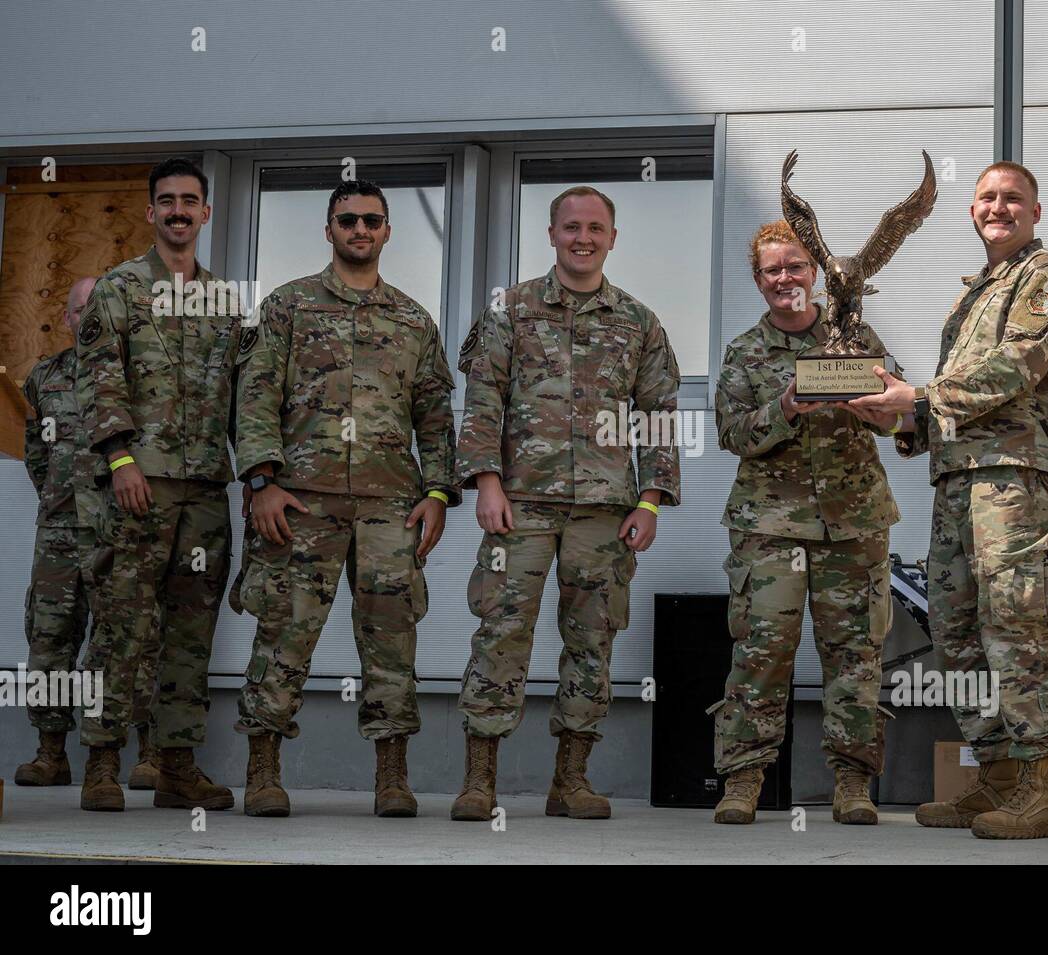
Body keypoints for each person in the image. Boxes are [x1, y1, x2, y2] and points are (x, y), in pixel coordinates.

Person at [857, 161, 1048, 839]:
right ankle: (996, 777)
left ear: (1036, 212)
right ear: (972, 211)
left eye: (1012, 198)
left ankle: (1040, 789)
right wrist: (899, 420)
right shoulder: (973, 296)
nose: (998, 207)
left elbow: (1019, 368)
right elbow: (956, 404)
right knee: (957, 634)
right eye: (986, 197)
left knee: (1016, 624)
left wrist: (918, 397)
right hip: (957, 480)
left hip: (1013, 479)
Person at [451, 185, 681, 821]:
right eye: (572, 227)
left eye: (596, 228)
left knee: (593, 639)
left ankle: (571, 781)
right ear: (551, 234)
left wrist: (652, 501)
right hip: (519, 502)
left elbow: (658, 417)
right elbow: (483, 400)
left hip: (605, 511)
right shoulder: (511, 309)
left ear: (612, 238)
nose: (584, 238)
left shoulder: (639, 321)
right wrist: (486, 482)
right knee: (501, 631)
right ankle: (480, 782)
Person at [232, 179, 458, 818]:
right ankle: (264, 772)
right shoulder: (289, 306)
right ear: (328, 229)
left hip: (391, 506)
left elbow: (435, 414)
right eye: (348, 219)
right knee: (284, 635)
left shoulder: (414, 320)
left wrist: (439, 491)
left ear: (388, 231)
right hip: (301, 502)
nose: (360, 229)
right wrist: (261, 482)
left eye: (372, 220)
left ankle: (391, 778)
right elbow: (254, 398)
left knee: (393, 642)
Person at [710, 220, 899, 826]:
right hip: (770, 526)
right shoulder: (743, 352)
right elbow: (733, 433)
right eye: (773, 270)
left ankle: (853, 783)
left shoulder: (856, 336)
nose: (785, 278)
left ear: (816, 273)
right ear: (759, 279)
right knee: (761, 653)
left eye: (796, 266)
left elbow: (901, 422)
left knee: (855, 655)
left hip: (854, 523)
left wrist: (870, 404)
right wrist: (786, 405)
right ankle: (743, 781)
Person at [76, 157, 239, 812]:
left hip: (203, 490)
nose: (178, 210)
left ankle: (176, 763)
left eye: (189, 200)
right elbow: (98, 379)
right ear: (151, 213)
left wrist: (258, 473)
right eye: (166, 200)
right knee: (123, 625)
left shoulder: (225, 300)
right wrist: (119, 460)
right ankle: (103, 759)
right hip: (137, 485)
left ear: (206, 213)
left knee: (191, 630)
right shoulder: (117, 290)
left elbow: (242, 400)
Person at [16, 278, 162, 791]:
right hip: (57, 531)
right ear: (67, 318)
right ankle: (50, 751)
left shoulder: (137, 374)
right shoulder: (44, 377)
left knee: (127, 642)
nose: (89, 319)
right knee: (50, 639)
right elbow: (37, 448)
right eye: (81, 310)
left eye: (100, 309)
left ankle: (145, 754)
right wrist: (56, 498)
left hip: (117, 529)